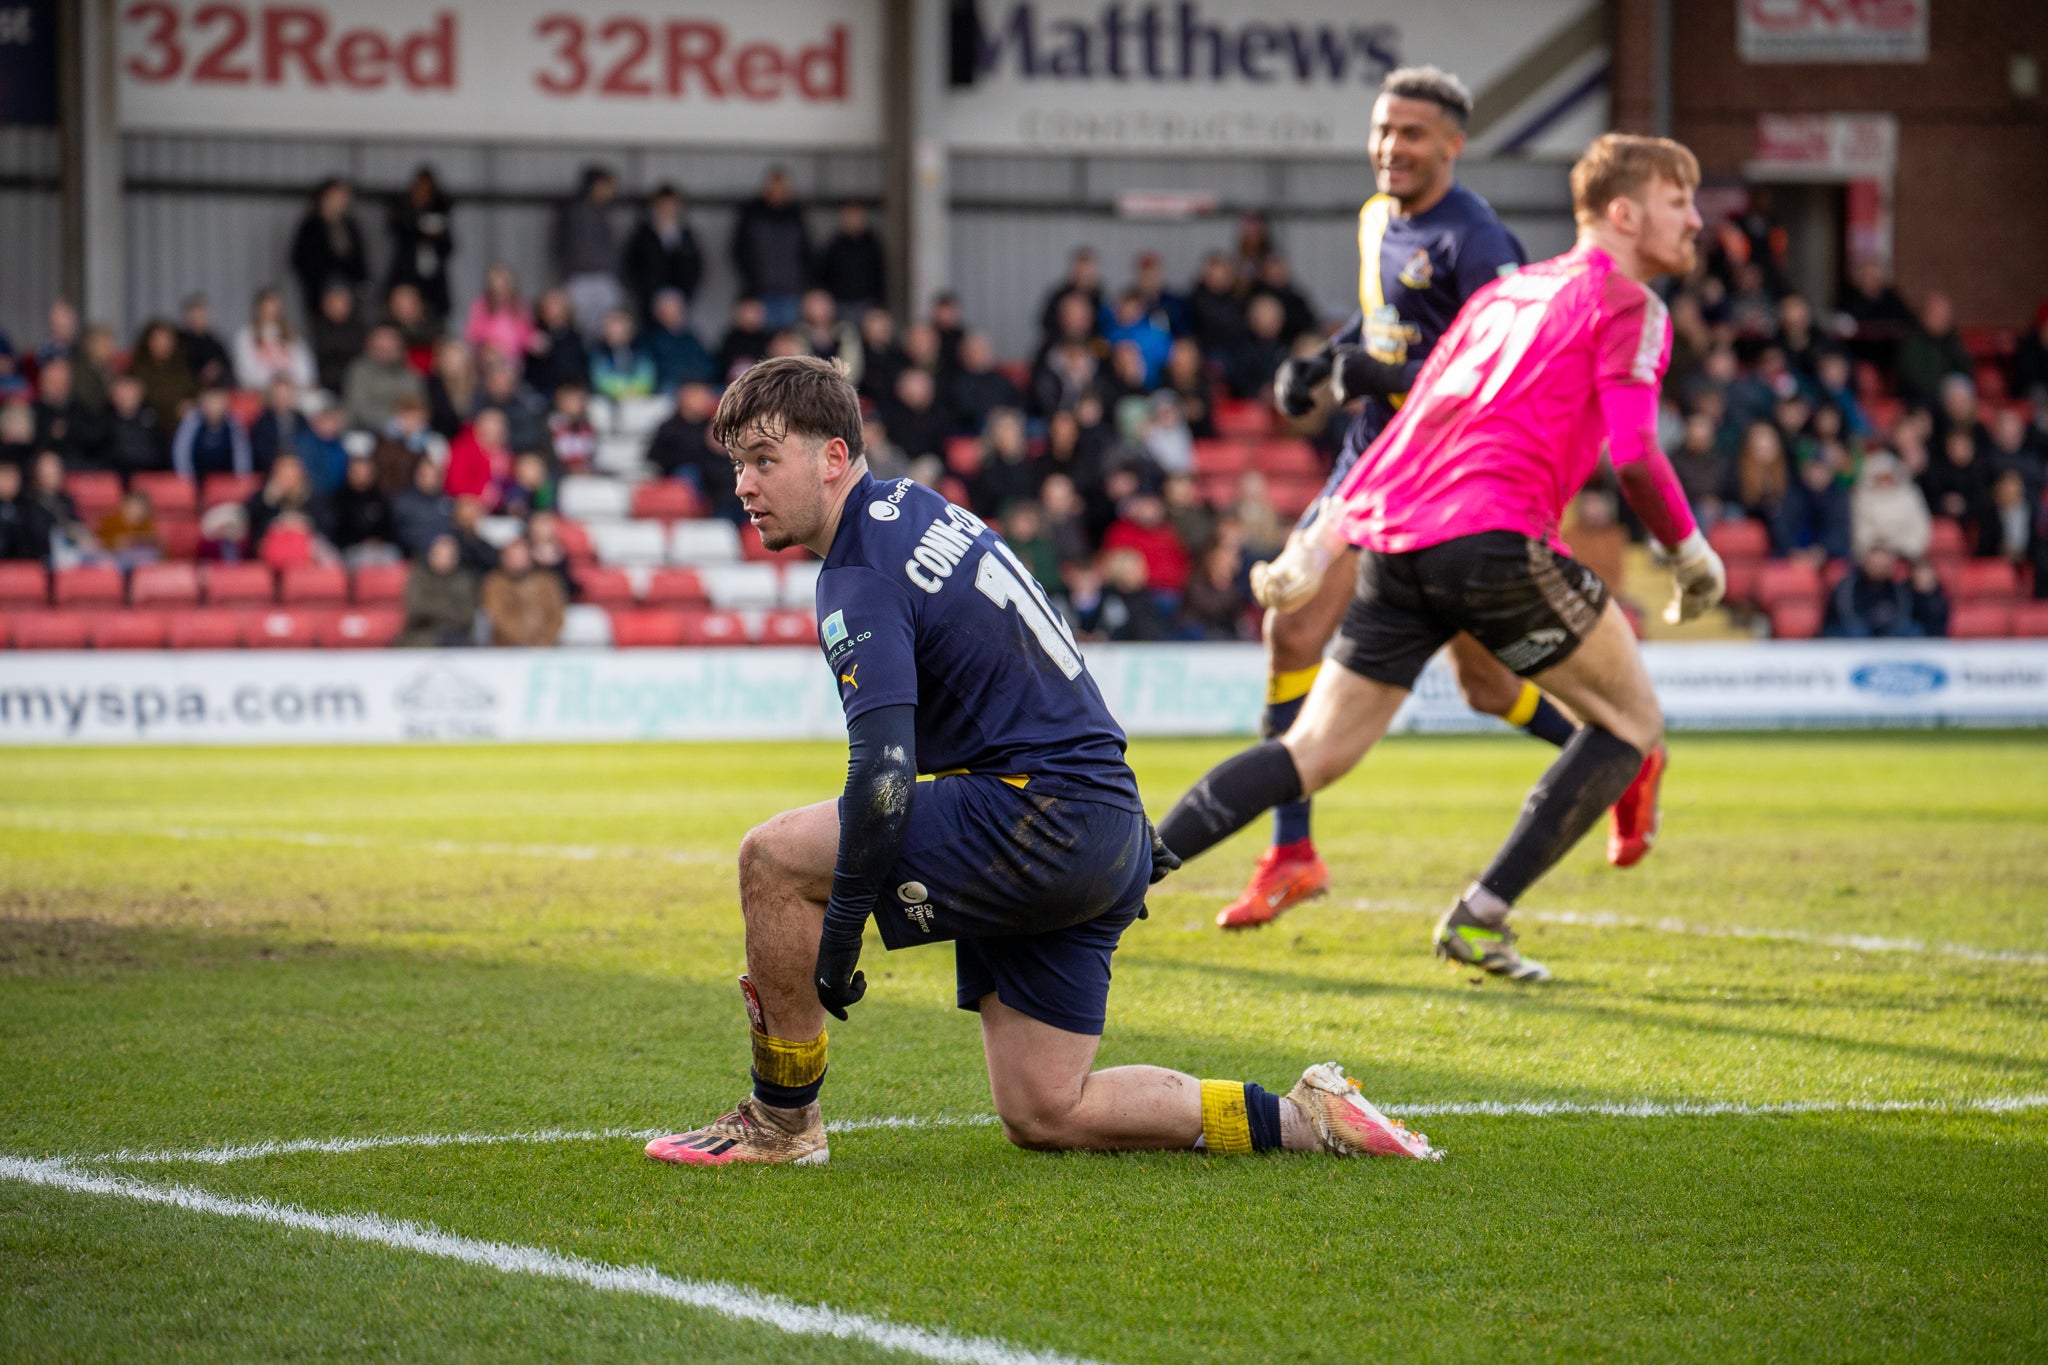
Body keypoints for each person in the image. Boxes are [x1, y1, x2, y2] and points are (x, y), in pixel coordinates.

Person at [643, 354, 1437, 1168]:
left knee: (771, 859)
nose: (742, 484)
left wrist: (841, 933)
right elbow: (1043, 654)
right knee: (1047, 1107)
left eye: (764, 460)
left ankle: (781, 1121)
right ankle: (1309, 1118)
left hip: (1039, 816)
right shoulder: (919, 508)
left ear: (834, 457)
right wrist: (1126, 827)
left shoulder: (858, 573)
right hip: (1095, 816)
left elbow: (883, 776)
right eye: (738, 463)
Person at [1154, 132, 1727, 982]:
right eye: (1681, 201)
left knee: (1311, 751)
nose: (1697, 220)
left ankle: (1121, 875)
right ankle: (1481, 914)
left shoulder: (1506, 297)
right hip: (1494, 539)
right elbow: (1638, 454)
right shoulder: (1632, 306)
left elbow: (1418, 416)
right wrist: (1689, 554)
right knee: (1632, 725)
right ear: (1624, 211)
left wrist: (1324, 537)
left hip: (1401, 540)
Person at [1220, 67, 1667, 933]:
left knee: (1487, 685)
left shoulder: (1479, 241)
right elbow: (1382, 318)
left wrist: (1384, 373)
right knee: (1301, 626)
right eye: (1383, 129)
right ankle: (1292, 853)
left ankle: (1615, 754)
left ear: (1452, 145)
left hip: (1452, 476)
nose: (1391, 147)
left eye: (1411, 134)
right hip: (1374, 459)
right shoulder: (1373, 219)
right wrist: (1325, 360)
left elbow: (1501, 376)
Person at [732, 167, 811, 331]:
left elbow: (806, 253)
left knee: (789, 342)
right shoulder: (752, 215)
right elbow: (739, 252)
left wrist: (804, 286)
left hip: (791, 292)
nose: (778, 192)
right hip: (760, 292)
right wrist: (750, 289)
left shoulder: (796, 215)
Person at [555, 165, 622, 339]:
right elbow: (559, 247)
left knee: (610, 326)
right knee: (580, 327)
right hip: (579, 277)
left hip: (604, 276)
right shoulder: (573, 211)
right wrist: (565, 277)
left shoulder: (605, 212)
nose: (610, 191)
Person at [620, 183, 703, 321]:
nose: (668, 209)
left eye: (672, 204)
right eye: (663, 204)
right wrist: (645, 291)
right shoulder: (643, 234)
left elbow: (696, 265)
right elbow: (632, 264)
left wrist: (686, 292)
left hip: (680, 295)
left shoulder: (686, 235)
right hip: (650, 298)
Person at [289, 178, 368, 318]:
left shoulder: (350, 225)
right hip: (320, 291)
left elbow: (359, 258)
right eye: (337, 196)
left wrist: (359, 283)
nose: (342, 201)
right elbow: (299, 259)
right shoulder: (311, 226)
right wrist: (319, 287)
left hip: (348, 289)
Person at [386, 165, 455, 322]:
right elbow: (398, 228)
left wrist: (433, 233)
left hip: (433, 280)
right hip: (409, 276)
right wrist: (419, 225)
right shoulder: (403, 209)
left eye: (427, 189)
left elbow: (449, 247)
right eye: (419, 187)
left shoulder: (440, 211)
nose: (423, 192)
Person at [480, 537, 566, 646]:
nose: (518, 560)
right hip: (509, 650)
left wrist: (544, 640)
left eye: (521, 556)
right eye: (513, 556)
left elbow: (557, 615)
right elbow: (498, 618)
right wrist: (524, 642)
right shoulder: (494, 583)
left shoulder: (547, 582)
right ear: (504, 558)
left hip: (545, 648)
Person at [343, 325, 427, 432]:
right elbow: (358, 407)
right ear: (371, 348)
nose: (387, 352)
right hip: (365, 429)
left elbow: (417, 404)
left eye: (391, 347)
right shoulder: (359, 370)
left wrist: (405, 422)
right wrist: (391, 423)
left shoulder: (409, 374)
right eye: (381, 348)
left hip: (406, 429)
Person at [399, 533, 478, 646]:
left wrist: (434, 611)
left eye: (449, 555)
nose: (444, 559)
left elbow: (467, 615)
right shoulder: (418, 577)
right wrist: (449, 610)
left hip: (457, 635)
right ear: (431, 555)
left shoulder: (464, 579)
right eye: (440, 554)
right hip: (422, 634)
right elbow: (416, 609)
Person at [233, 287, 316, 390]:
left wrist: (290, 384)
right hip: (261, 393)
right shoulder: (246, 336)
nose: (270, 315)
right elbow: (245, 373)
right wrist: (272, 386)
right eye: (266, 311)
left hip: (293, 392)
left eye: (274, 311)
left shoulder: (292, 336)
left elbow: (305, 370)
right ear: (259, 310)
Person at [814, 200, 885, 315]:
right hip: (840, 302)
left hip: (866, 302)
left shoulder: (872, 245)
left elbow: (878, 276)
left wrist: (879, 303)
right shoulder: (834, 245)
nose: (853, 221)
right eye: (850, 216)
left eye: (857, 217)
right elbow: (823, 274)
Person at [170, 384, 253, 482]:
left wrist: (241, 480)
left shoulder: (233, 422)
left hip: (226, 479)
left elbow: (242, 453)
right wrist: (186, 479)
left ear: (225, 402)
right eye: (210, 401)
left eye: (218, 401)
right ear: (202, 402)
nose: (214, 406)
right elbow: (181, 451)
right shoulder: (191, 421)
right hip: (197, 479)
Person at [640, 290, 716, 390]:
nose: (674, 313)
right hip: (670, 388)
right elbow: (656, 372)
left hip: (698, 386)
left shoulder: (691, 338)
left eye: (677, 308)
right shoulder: (651, 340)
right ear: (658, 313)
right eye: (668, 310)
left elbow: (707, 365)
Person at [464, 264, 536, 367]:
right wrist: (491, 346)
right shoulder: (481, 305)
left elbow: (527, 334)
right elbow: (473, 334)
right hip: (489, 358)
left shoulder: (519, 306)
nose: (499, 285)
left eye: (503, 281)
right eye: (496, 281)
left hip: (515, 360)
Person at [310, 282, 368, 396]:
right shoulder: (314, 329)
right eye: (333, 301)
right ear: (324, 304)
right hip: (322, 388)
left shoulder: (360, 330)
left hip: (356, 387)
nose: (337, 306)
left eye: (341, 301)